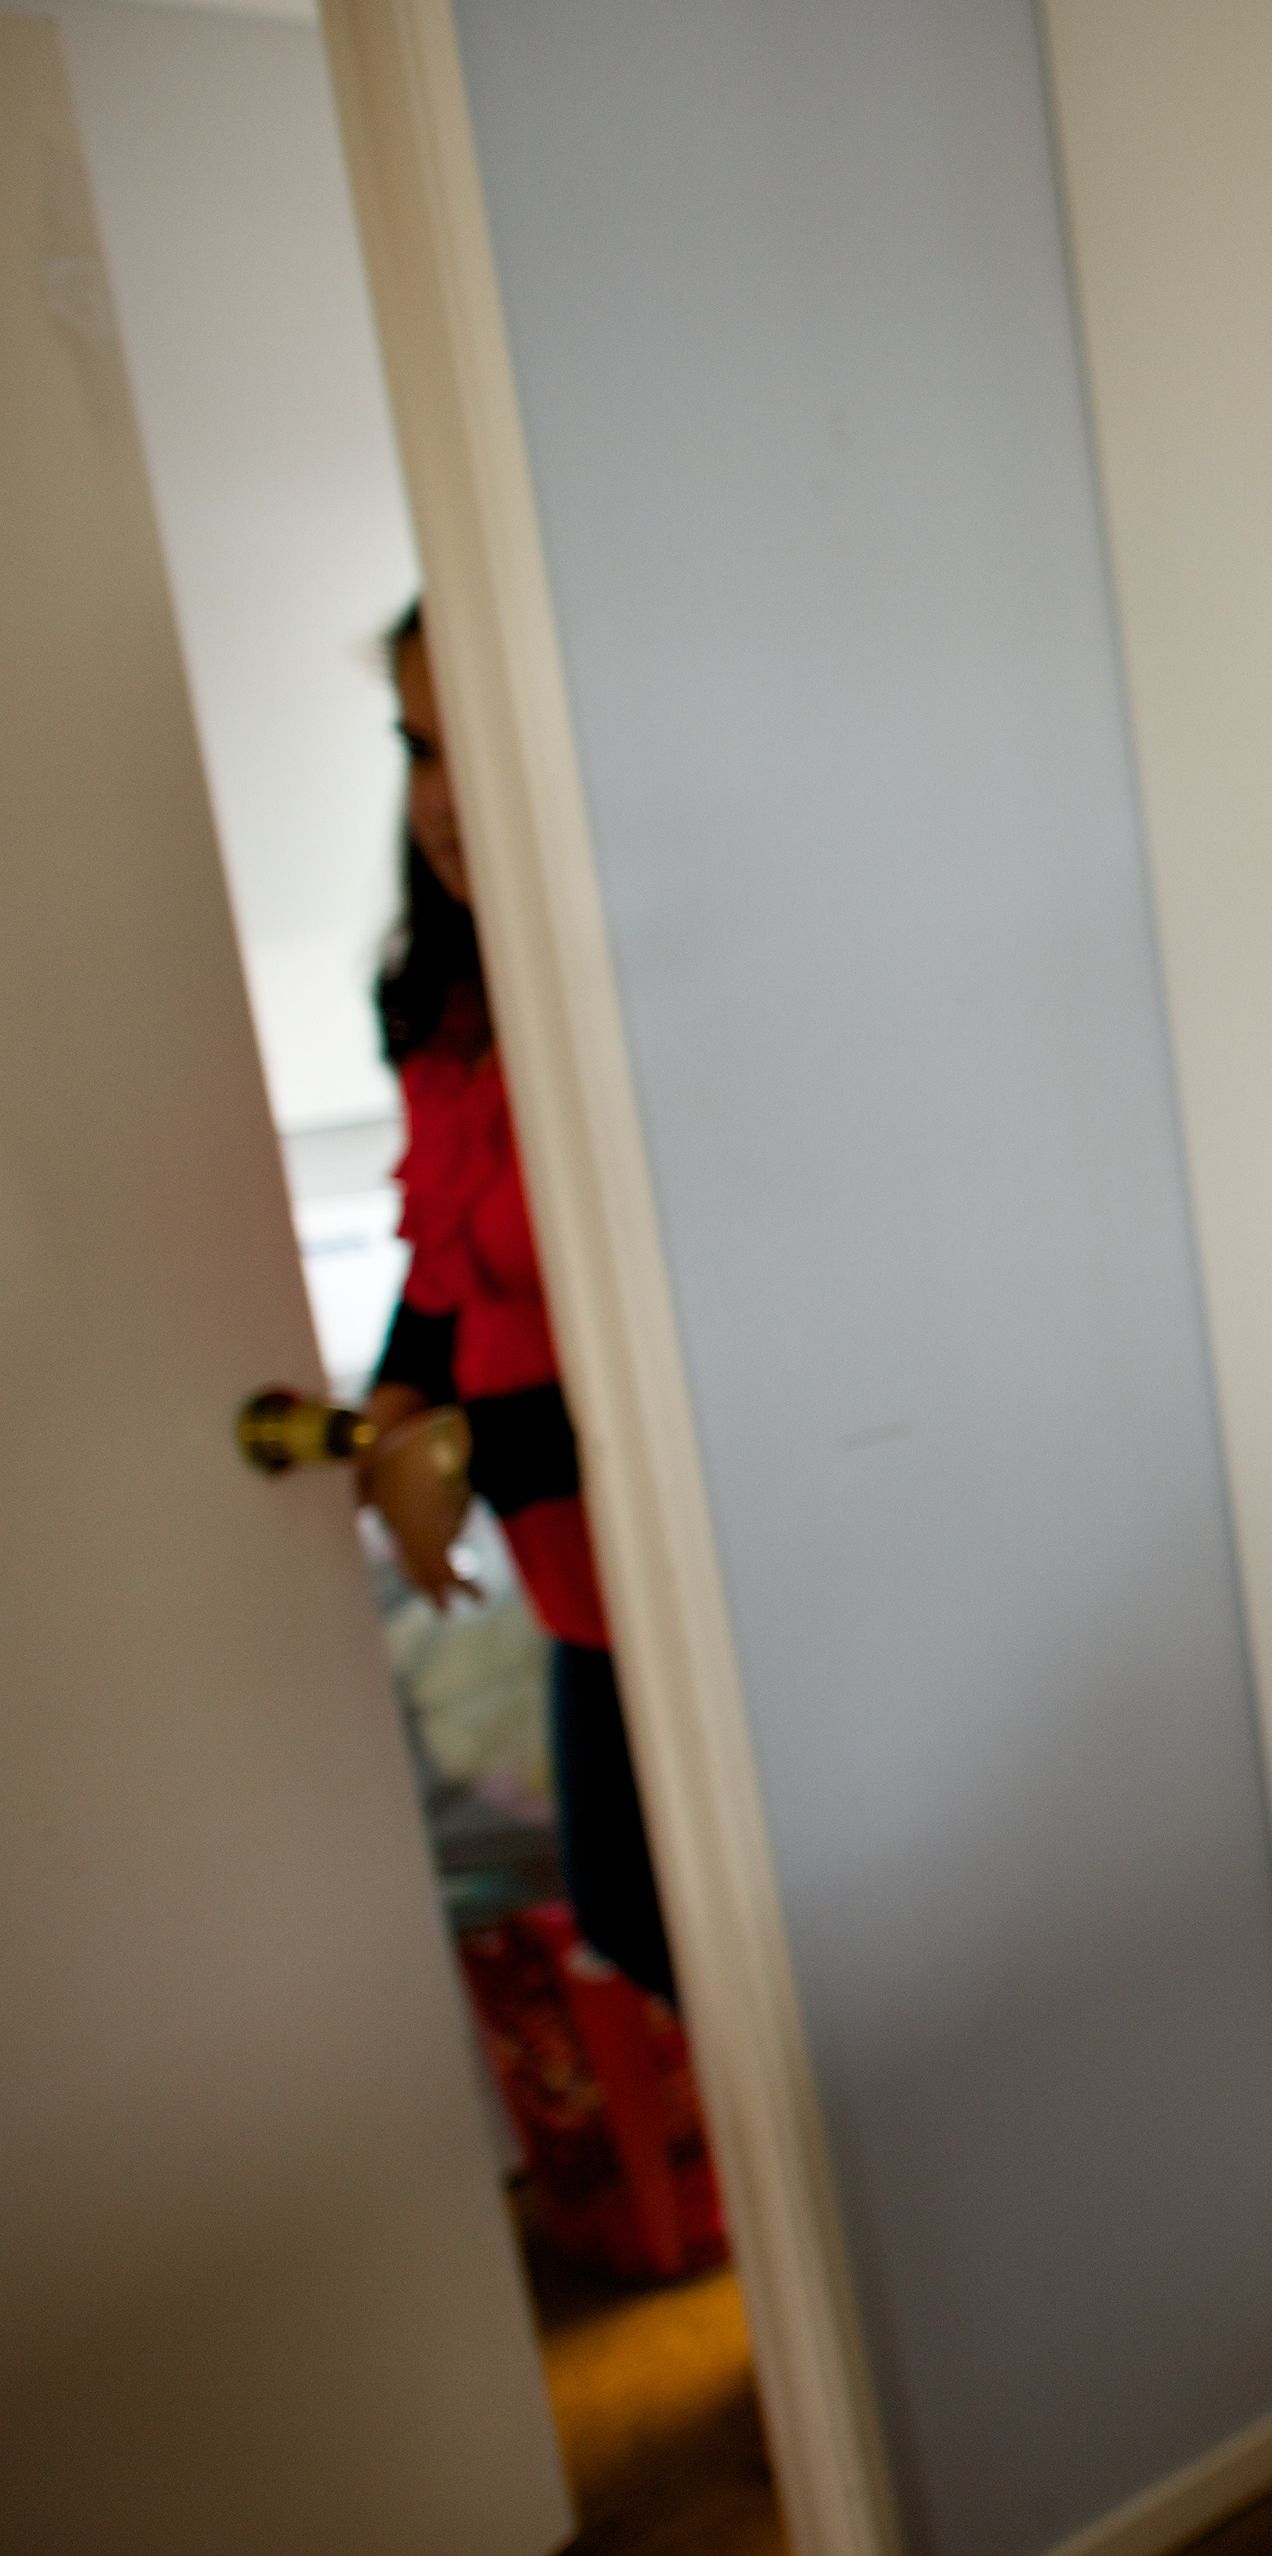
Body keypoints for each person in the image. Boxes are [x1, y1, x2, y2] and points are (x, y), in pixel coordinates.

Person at [356, 603, 674, 2006]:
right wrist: (395, 1408)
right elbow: (444, 1265)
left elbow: (639, 1334)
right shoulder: (448, 999)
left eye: (462, 745)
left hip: (666, 1573)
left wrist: (454, 1459)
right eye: (415, 747)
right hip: (568, 1570)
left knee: (654, 1914)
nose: (434, 797)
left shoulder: (634, 989)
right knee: (627, 1914)